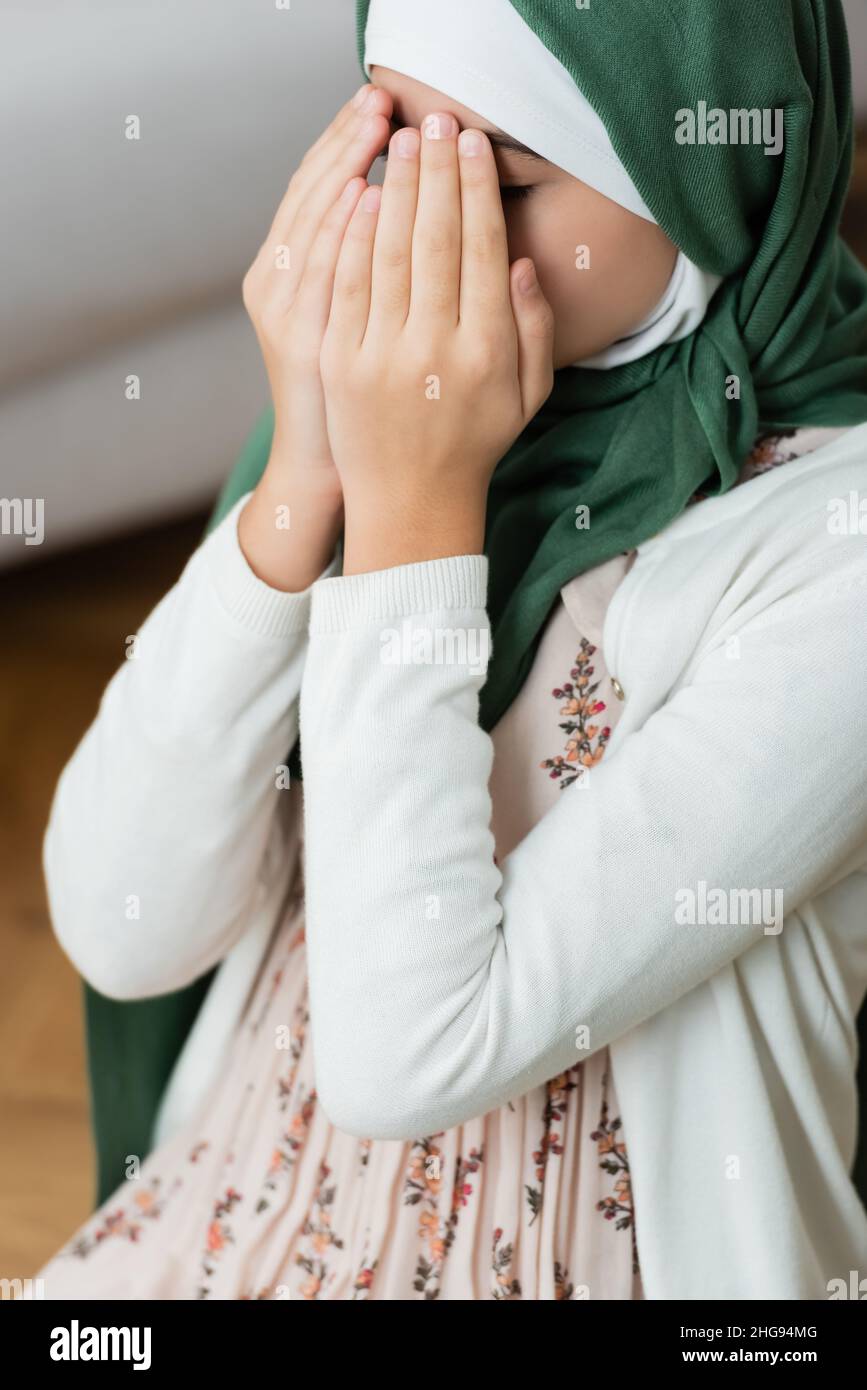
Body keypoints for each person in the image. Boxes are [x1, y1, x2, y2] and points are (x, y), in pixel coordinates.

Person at [36, 0, 867, 1299]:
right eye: (395, 147)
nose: (426, 231)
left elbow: (408, 1055)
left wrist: (418, 510)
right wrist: (300, 484)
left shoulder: (839, 555)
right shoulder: (365, 427)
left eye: (508, 175)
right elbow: (121, 925)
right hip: (256, 1217)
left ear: (711, 169)